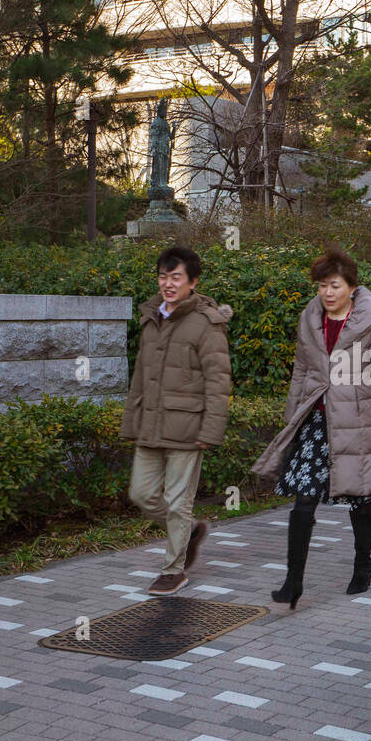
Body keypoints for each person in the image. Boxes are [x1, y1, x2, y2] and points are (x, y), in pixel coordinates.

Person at [252, 244, 371, 609]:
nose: (328, 293)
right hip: (316, 422)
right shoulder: (310, 319)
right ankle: (293, 581)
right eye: (322, 286)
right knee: (303, 502)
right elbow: (301, 371)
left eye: (334, 285)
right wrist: (292, 418)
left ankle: (363, 563)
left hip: (355, 419)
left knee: (359, 499)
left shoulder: (370, 319)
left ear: (351, 286)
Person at [122, 246, 232, 595]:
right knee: (141, 494)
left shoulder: (206, 324)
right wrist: (131, 422)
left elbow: (218, 381)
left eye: (176, 277)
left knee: (178, 503)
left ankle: (173, 569)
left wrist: (210, 430)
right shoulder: (151, 318)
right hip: (151, 425)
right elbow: (140, 376)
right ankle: (192, 531)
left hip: (188, 427)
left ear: (193, 282)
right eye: (162, 276)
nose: (167, 284)